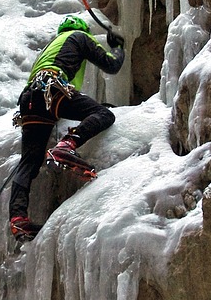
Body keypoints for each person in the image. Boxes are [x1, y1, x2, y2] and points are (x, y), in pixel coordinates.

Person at [8, 14, 124, 241]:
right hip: (52, 89)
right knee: (103, 114)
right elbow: (111, 64)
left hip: (29, 100)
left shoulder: (49, 49)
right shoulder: (79, 36)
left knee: (29, 162)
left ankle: (18, 219)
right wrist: (118, 47)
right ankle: (66, 146)